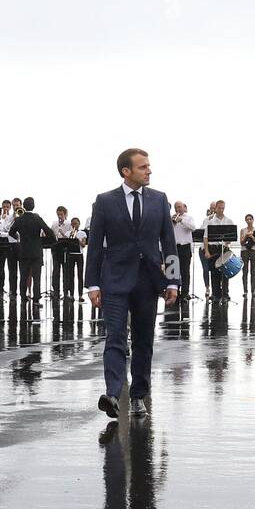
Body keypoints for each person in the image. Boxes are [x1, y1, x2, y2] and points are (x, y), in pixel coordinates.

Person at [86, 148, 180, 419]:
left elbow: (169, 243)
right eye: (143, 167)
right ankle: (113, 395)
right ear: (126, 172)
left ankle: (139, 396)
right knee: (114, 338)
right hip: (114, 281)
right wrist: (92, 285)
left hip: (148, 282)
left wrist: (172, 280)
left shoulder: (159, 200)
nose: (149, 171)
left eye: (149, 166)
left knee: (143, 341)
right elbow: (94, 246)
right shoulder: (104, 201)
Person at [10, 197, 54, 307]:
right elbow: (49, 231)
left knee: (23, 275)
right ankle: (36, 299)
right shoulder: (37, 218)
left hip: (23, 251)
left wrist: (18, 237)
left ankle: (23, 298)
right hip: (36, 251)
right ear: (33, 206)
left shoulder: (19, 219)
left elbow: (11, 233)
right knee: (36, 276)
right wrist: (45, 241)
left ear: (23, 206)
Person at [202, 200, 235, 301]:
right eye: (219, 208)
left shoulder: (229, 221)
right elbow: (206, 237)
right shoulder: (210, 221)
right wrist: (207, 251)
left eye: (222, 208)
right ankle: (216, 294)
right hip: (213, 248)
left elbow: (231, 237)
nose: (221, 210)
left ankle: (225, 294)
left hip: (224, 248)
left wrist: (228, 241)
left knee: (225, 272)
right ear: (215, 208)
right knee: (214, 272)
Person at [172, 202, 195, 300]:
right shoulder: (172, 218)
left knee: (185, 272)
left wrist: (181, 220)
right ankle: (174, 293)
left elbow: (193, 228)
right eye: (176, 207)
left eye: (180, 207)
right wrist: (172, 222)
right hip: (174, 247)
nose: (178, 209)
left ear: (184, 207)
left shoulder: (189, 218)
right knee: (173, 272)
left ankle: (185, 294)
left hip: (185, 247)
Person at [240, 214, 255, 297]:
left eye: (250, 219)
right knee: (244, 271)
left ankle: (253, 291)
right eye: (247, 219)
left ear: (253, 220)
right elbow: (241, 242)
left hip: (254, 251)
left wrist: (252, 237)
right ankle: (245, 291)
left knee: (253, 272)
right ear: (245, 220)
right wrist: (246, 235)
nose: (249, 221)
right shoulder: (242, 230)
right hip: (244, 251)